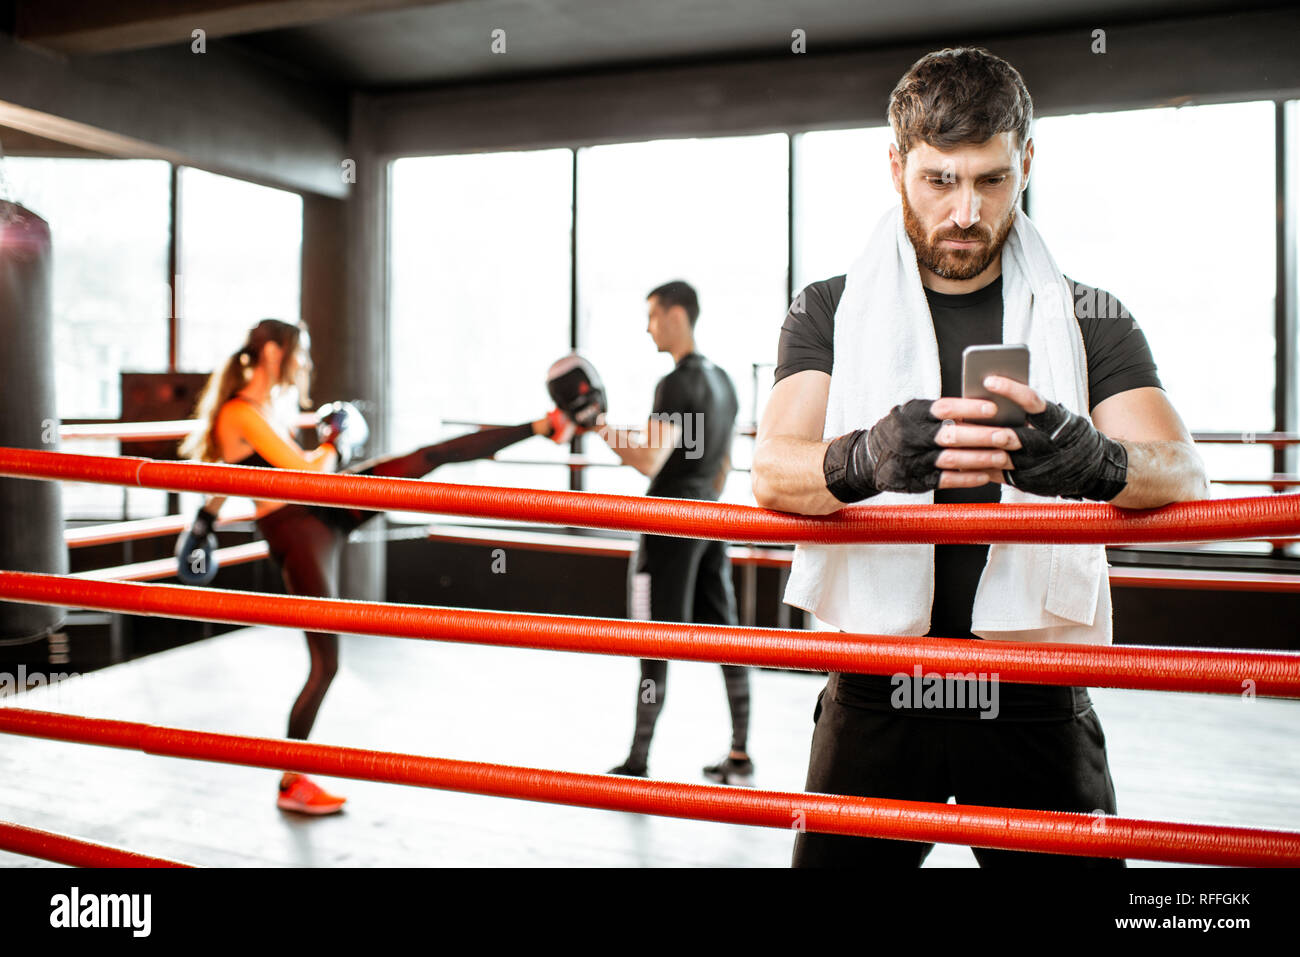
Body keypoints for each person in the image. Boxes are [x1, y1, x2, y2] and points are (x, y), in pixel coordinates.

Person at [752, 48, 1209, 866]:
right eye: (939, 181)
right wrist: (864, 457)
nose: (965, 211)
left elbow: (1183, 469)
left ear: (1026, 162)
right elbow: (771, 471)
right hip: (879, 680)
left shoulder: (1085, 315)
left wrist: (1093, 461)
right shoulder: (829, 307)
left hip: (1032, 684)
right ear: (896, 167)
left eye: (992, 180)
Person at [179, 318, 570, 814]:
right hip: (299, 532)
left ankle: (544, 425)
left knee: (427, 457)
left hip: (319, 511)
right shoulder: (238, 411)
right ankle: (290, 781)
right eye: (301, 353)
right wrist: (336, 442)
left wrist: (205, 523)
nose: (306, 364)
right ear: (275, 352)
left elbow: (237, 473)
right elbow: (300, 473)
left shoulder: (262, 408)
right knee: (326, 664)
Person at [593, 281, 754, 785]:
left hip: (667, 526)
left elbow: (648, 457)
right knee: (726, 635)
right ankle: (740, 750)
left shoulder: (674, 384)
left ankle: (639, 759)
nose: (647, 327)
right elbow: (724, 462)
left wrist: (597, 424)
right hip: (710, 518)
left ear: (677, 314)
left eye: (653, 315)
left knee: (652, 639)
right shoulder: (726, 382)